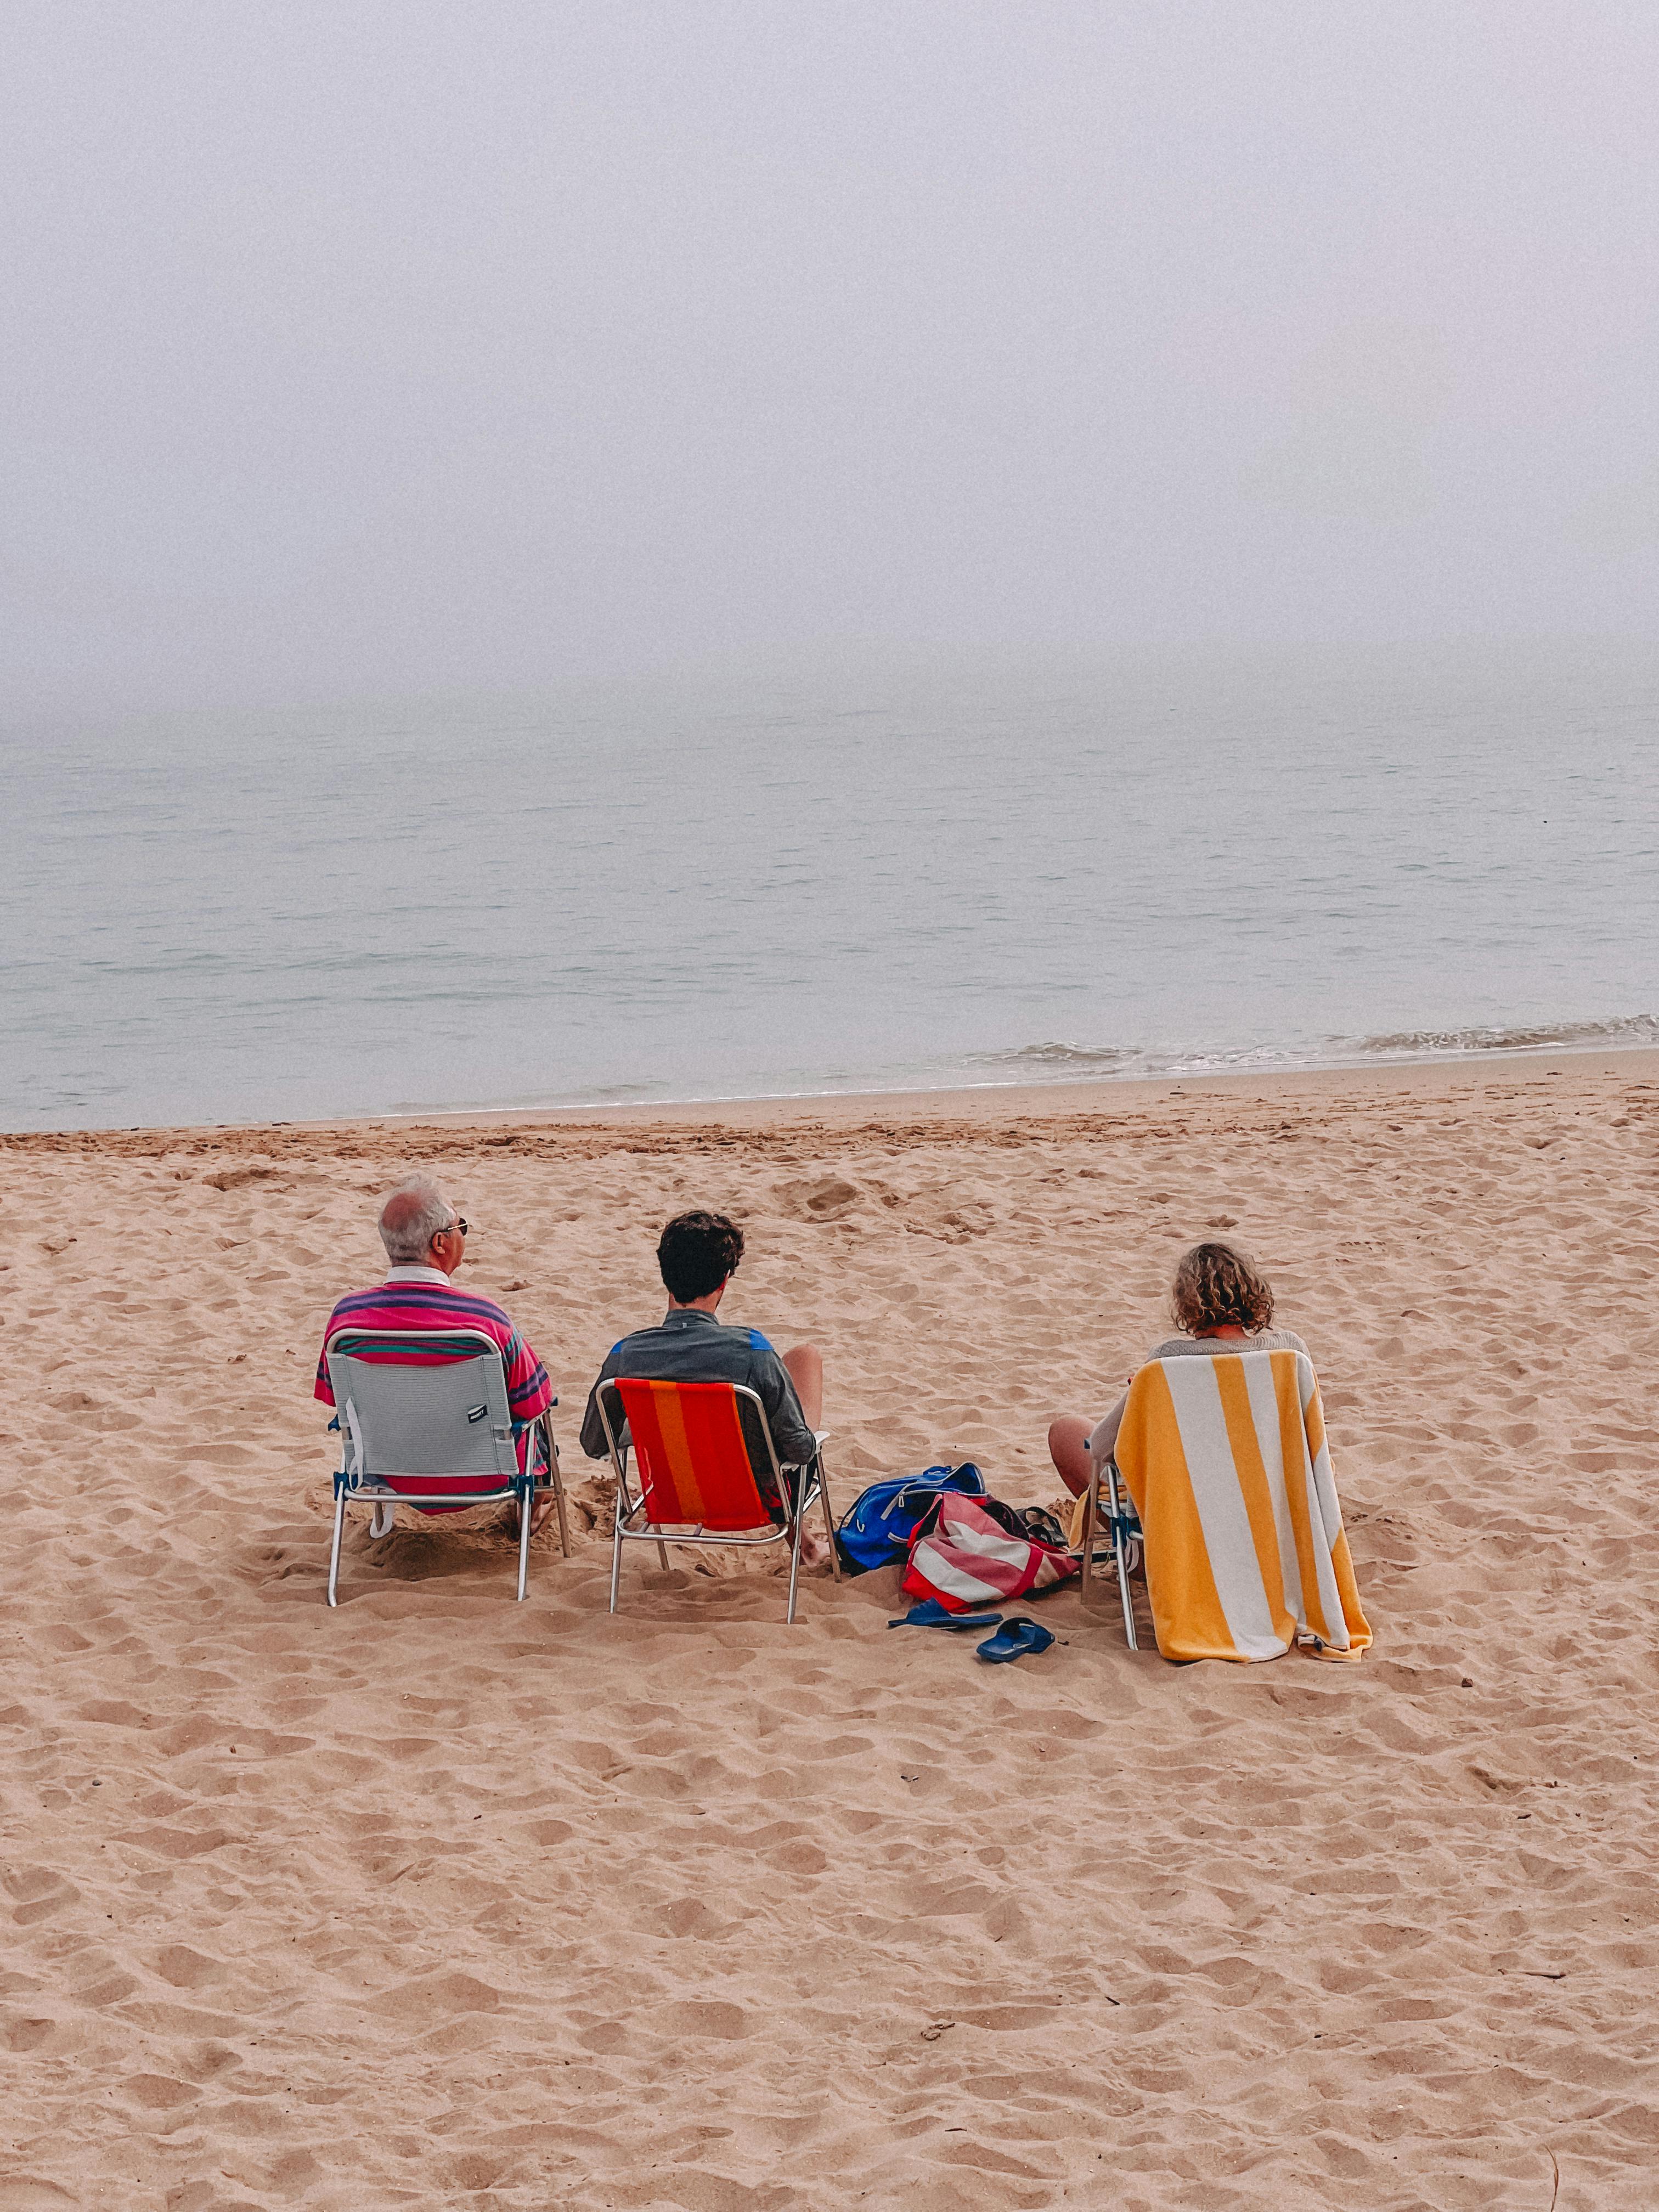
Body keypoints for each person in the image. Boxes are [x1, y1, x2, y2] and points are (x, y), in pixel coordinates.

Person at [315, 1176, 558, 1536]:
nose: (464, 1233)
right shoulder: (485, 1322)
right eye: (461, 1227)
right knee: (540, 1423)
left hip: (387, 1470)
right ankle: (532, 1512)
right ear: (440, 1243)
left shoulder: (347, 1320)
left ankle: (383, 1511)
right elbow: (534, 1403)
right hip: (483, 1475)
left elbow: (339, 1400)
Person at [578, 1209, 826, 1553]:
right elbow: (799, 1450)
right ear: (724, 1280)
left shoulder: (626, 1355)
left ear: (666, 1276)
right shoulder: (753, 1350)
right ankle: (800, 1537)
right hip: (759, 1500)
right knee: (806, 1358)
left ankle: (803, 1540)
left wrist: (652, 1429)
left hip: (671, 1496)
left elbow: (595, 1444)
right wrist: (813, 1438)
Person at [1047, 1240, 1310, 1498]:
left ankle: (1142, 1543)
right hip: (1275, 1498)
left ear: (1186, 1303)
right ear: (1254, 1294)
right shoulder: (1291, 1352)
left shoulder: (1168, 1360)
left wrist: (1143, 1398)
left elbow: (1102, 1448)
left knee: (1066, 1431)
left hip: (1187, 1506)